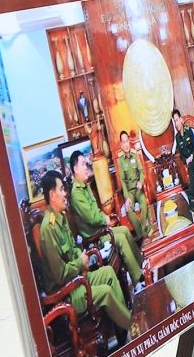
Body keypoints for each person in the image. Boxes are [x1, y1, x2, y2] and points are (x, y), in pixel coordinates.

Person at [36, 171, 131, 342]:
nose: (65, 193)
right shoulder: (48, 229)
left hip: (78, 279)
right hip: (68, 293)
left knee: (109, 272)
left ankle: (122, 332)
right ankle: (131, 325)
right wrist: (81, 262)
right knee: (106, 292)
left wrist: (80, 256)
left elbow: (72, 249)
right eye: (61, 190)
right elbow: (60, 275)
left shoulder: (61, 217)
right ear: (52, 195)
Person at [66, 150, 143, 285]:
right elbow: (92, 217)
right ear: (75, 168)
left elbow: (95, 211)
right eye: (83, 164)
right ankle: (138, 279)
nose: (86, 167)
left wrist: (105, 218)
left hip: (101, 230)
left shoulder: (84, 186)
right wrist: (105, 219)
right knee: (120, 238)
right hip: (95, 237)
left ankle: (142, 265)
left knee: (124, 230)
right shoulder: (76, 193)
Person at [115, 131, 154, 243]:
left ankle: (141, 231)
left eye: (127, 141)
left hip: (138, 189)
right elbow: (122, 181)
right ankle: (142, 232)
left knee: (143, 202)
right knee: (128, 209)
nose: (126, 144)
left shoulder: (135, 154)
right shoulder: (120, 160)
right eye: (124, 142)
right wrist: (127, 198)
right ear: (121, 145)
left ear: (129, 142)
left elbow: (141, 172)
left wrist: (141, 182)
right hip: (129, 192)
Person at [170, 109, 194, 216]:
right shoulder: (177, 138)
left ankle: (191, 196)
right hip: (191, 167)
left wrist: (191, 157)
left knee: (192, 167)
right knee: (193, 174)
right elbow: (181, 156)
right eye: (174, 121)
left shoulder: (188, 130)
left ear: (181, 119)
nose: (176, 123)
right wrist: (186, 159)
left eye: (177, 120)